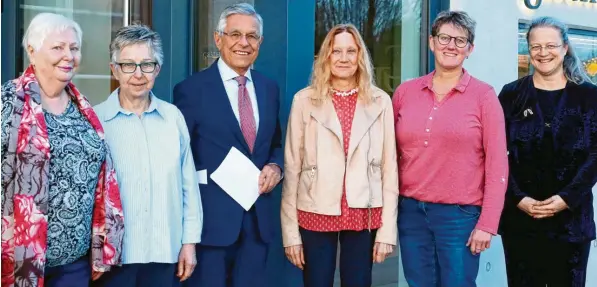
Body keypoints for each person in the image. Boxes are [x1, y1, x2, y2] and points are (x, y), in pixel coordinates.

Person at [0, 13, 124, 287]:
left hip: (74, 265)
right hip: (20, 263)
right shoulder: (7, 101)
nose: (68, 55)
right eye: (58, 47)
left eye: (74, 48)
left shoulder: (83, 108)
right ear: (32, 51)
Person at [393, 11, 508, 287]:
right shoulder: (405, 93)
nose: (451, 46)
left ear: (470, 49)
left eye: (460, 40)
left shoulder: (484, 96)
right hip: (411, 213)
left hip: (460, 216)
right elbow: (390, 156)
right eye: (444, 37)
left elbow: (497, 165)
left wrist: (487, 224)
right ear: (431, 42)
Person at [173, 3, 283, 287]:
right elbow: (179, 160)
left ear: (260, 42)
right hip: (211, 227)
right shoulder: (190, 90)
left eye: (252, 36)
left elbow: (276, 144)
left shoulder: (269, 89)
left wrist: (276, 165)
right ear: (218, 38)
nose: (244, 43)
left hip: (258, 226)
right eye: (235, 34)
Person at [281, 23, 398, 287]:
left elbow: (389, 170)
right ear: (326, 57)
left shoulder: (380, 102)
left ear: (360, 56)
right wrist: (291, 234)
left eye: (351, 51)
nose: (343, 58)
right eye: (336, 51)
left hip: (364, 212)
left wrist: (387, 230)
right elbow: (291, 169)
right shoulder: (304, 101)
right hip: (315, 209)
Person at [92, 24, 203, 287]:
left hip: (165, 254)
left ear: (158, 69)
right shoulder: (95, 121)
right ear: (114, 69)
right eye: (128, 65)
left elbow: (188, 185)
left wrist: (189, 243)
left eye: (147, 64)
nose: (138, 74)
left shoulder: (173, 118)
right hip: (114, 258)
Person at [498, 16, 597, 287]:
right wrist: (518, 198)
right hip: (521, 222)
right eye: (535, 47)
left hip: (571, 224)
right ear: (528, 50)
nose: (543, 53)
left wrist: (566, 198)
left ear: (565, 48)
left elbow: (595, 156)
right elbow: (495, 153)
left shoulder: (589, 97)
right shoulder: (511, 95)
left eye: (551, 45)